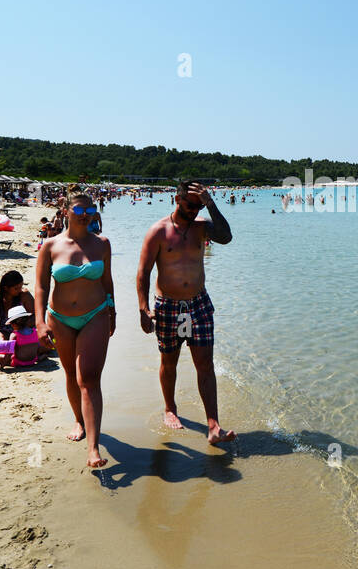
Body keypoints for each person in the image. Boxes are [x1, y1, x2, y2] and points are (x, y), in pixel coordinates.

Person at [136, 180, 236, 444]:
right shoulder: (158, 231)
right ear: (176, 199)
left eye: (198, 205)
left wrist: (211, 203)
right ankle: (170, 408)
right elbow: (143, 272)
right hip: (168, 305)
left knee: (205, 364)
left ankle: (213, 425)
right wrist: (143, 308)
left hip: (198, 304)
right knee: (169, 361)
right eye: (190, 204)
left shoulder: (202, 227)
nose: (193, 210)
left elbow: (226, 237)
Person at [35, 192, 114, 468]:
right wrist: (39, 322)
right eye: (79, 208)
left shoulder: (102, 244)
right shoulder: (50, 246)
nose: (85, 213)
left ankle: (93, 448)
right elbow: (41, 287)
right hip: (60, 318)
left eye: (90, 209)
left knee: (89, 378)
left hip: (95, 315)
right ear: (66, 210)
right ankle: (79, 421)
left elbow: (107, 282)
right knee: (71, 374)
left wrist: (112, 311)